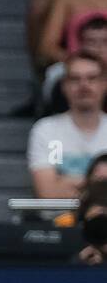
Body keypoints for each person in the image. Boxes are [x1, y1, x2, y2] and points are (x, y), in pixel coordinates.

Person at [29, 51, 107, 197]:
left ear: (104, 83)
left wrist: (67, 181)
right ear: (64, 85)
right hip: (57, 218)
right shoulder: (48, 131)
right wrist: (100, 183)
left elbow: (56, 185)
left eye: (92, 78)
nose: (84, 85)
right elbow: (48, 192)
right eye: (75, 79)